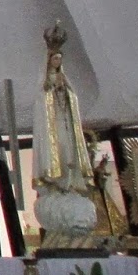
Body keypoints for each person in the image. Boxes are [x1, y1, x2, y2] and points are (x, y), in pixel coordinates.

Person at [31, 26, 95, 198]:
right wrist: (51, 90)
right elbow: (41, 101)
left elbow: (73, 97)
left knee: (69, 151)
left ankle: (69, 182)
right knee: (58, 148)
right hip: (53, 122)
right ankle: (56, 180)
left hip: (65, 119)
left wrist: (65, 91)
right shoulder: (44, 81)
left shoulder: (64, 78)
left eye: (59, 59)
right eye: (54, 59)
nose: (57, 63)